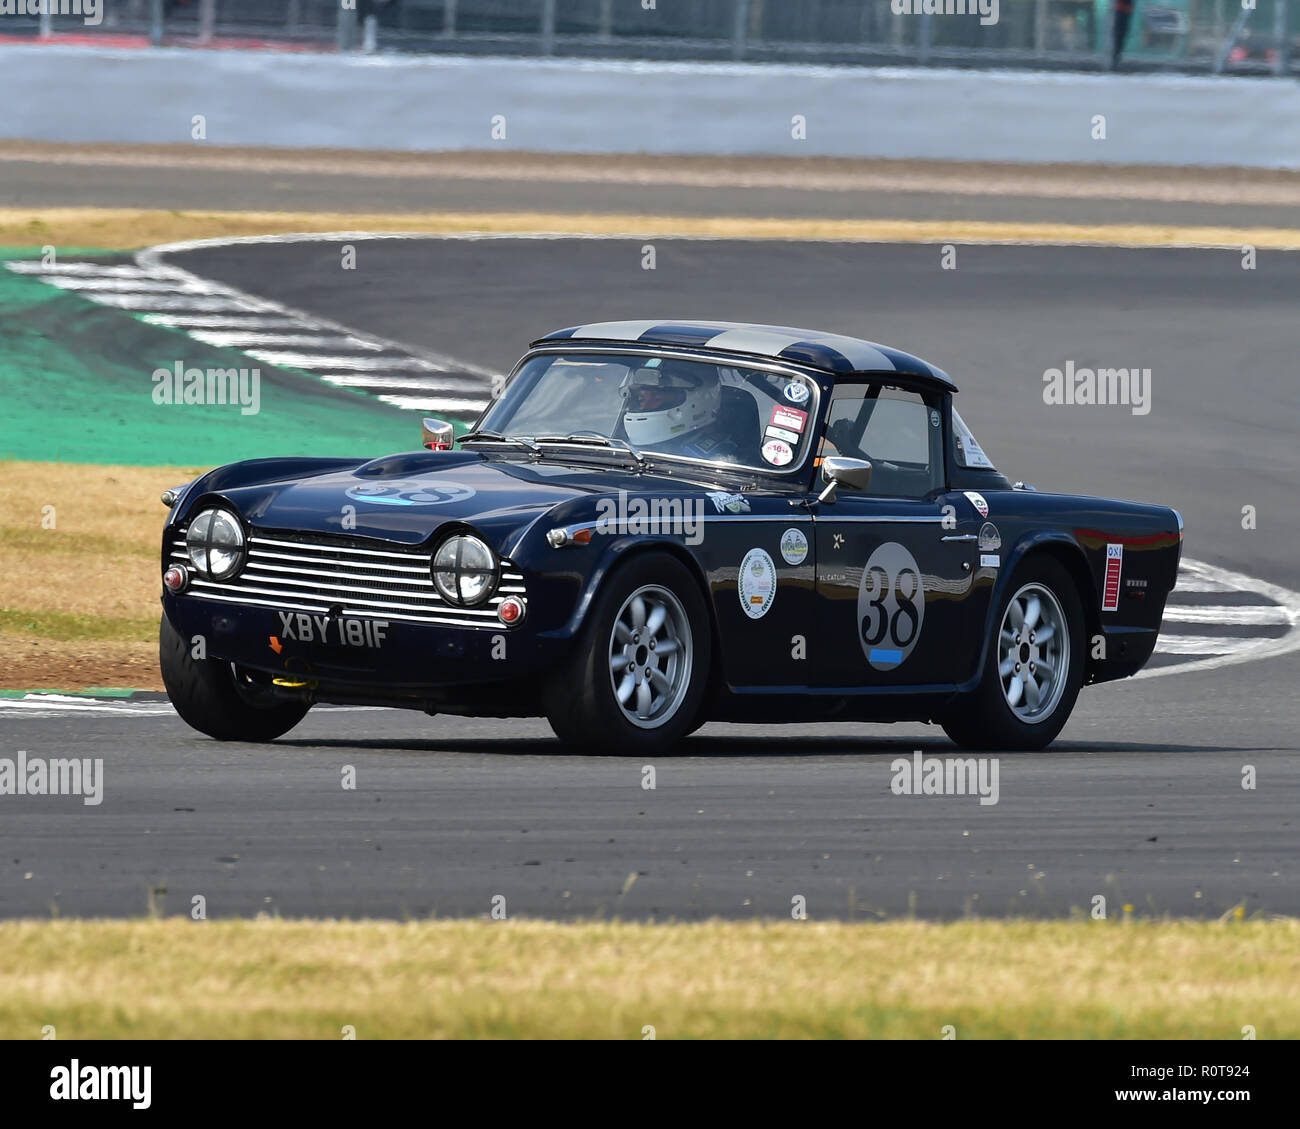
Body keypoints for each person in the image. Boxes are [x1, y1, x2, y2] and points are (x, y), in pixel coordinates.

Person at [621, 363, 740, 462]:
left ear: (698, 402)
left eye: (657, 396)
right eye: (639, 397)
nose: (643, 406)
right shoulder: (619, 447)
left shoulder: (718, 460)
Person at [1111, 0, 1136, 69]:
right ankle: (1116, 58)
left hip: (1125, 9)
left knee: (1120, 35)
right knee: (1119, 35)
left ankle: (1116, 58)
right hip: (1122, 9)